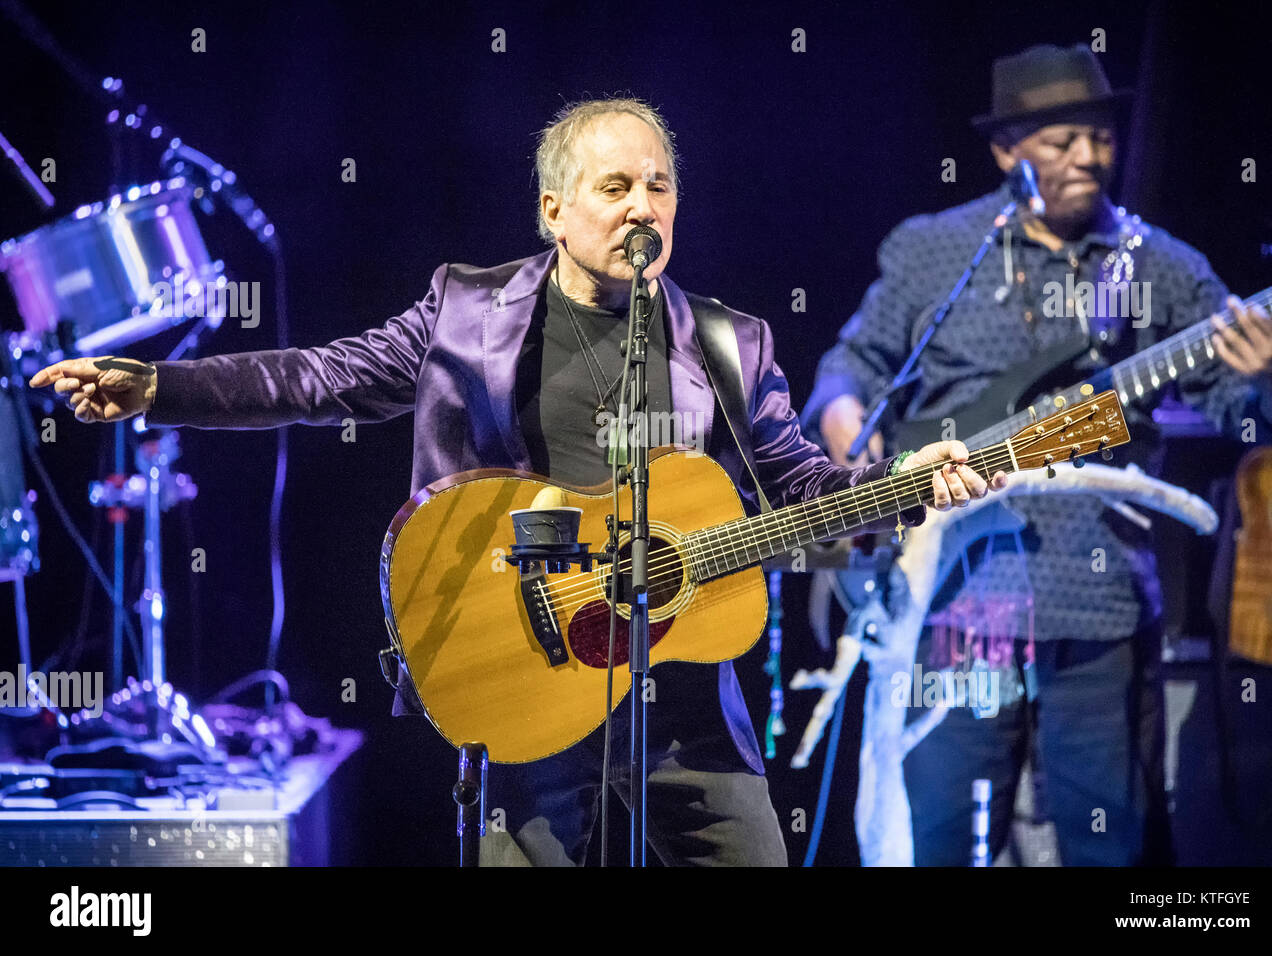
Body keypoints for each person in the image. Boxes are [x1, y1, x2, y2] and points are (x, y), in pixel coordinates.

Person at [30, 97, 1005, 866]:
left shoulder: (727, 341)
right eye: (616, 185)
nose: (642, 208)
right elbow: (316, 377)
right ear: (554, 209)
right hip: (526, 678)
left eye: (660, 187)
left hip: (684, 702)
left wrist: (898, 481)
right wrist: (161, 386)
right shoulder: (463, 311)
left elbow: (799, 485)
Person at [803, 45, 1272, 866]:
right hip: (959, 601)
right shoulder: (933, 250)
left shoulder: (1160, 265)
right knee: (938, 845)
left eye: (1099, 138)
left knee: (1114, 846)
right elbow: (849, 371)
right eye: (1060, 141)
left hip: (1095, 602)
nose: (1087, 159)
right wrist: (857, 443)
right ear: (1006, 151)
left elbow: (1245, 413)